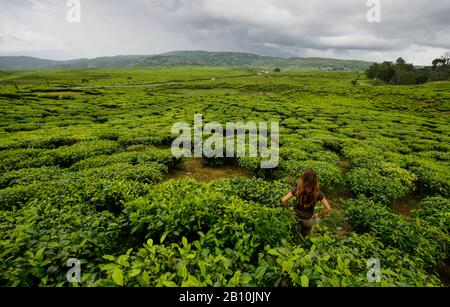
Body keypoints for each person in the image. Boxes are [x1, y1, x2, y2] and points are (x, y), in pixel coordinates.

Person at [281, 168, 332, 237]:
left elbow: (284, 200)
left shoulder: (297, 189)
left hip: (294, 216)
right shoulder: (318, 193)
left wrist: (288, 208)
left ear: (303, 179)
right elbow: (328, 208)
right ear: (315, 181)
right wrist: (318, 215)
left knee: (292, 234)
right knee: (305, 237)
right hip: (307, 220)